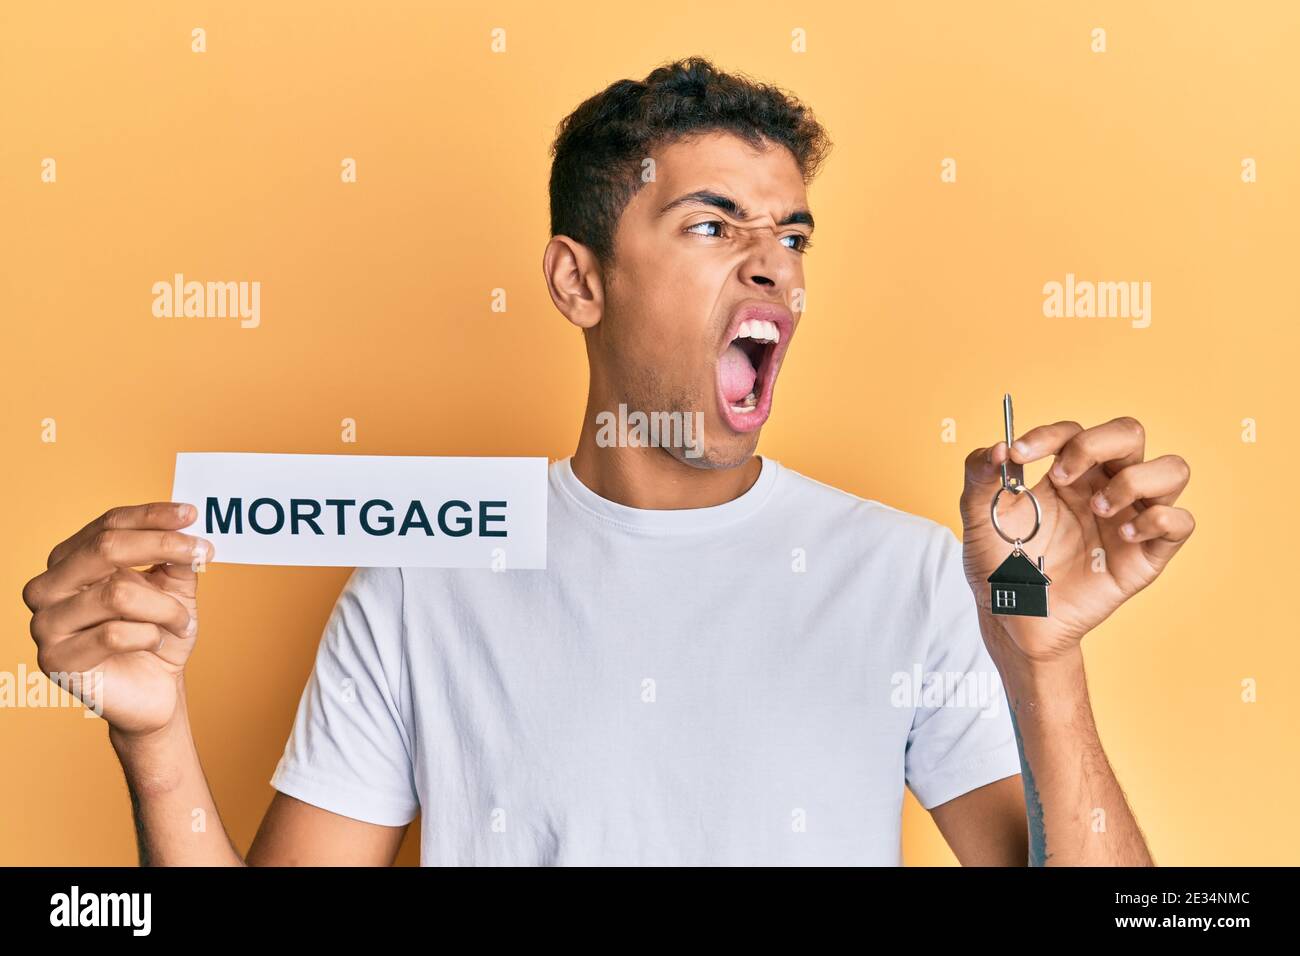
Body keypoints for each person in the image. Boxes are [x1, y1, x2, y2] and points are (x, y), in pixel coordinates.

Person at [21, 57, 1194, 866]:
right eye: (711, 225)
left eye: (789, 236)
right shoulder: (419, 587)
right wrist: (152, 734)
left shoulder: (912, 579)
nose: (773, 265)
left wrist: (1043, 662)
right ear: (578, 280)